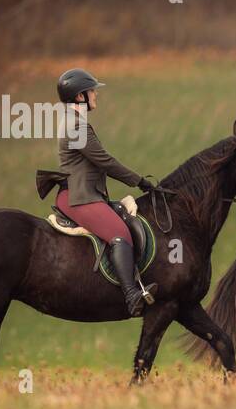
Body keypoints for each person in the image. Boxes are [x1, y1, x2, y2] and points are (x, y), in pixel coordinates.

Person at [53, 68, 158, 315]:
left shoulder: (75, 122)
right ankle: (132, 296)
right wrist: (140, 181)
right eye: (92, 91)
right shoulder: (76, 126)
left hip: (85, 194)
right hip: (80, 198)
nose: (95, 95)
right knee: (120, 234)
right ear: (80, 97)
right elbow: (105, 162)